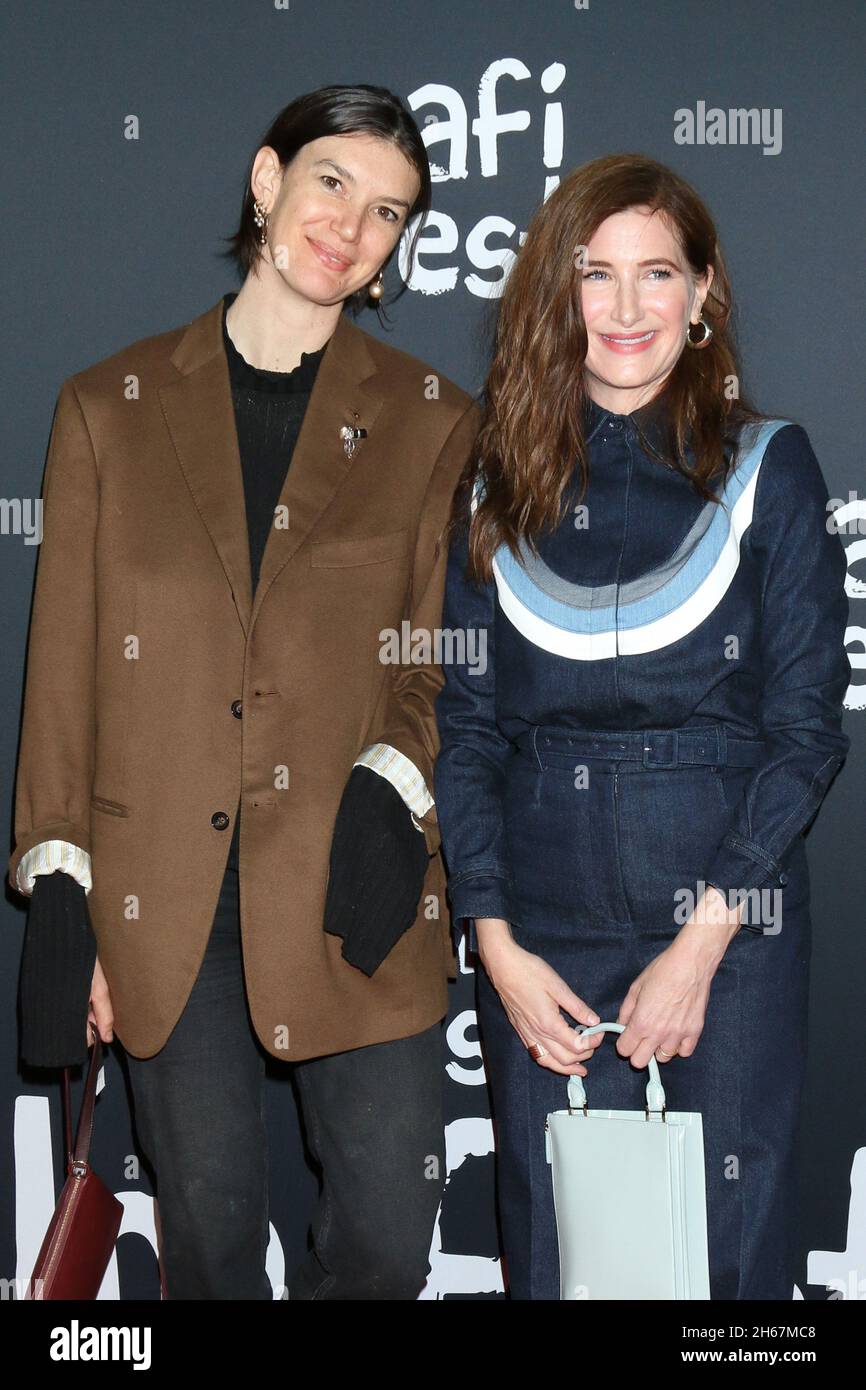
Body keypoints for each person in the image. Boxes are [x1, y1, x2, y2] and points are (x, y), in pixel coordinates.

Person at [10, 84, 481, 1299]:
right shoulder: (106, 408)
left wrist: (399, 783)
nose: (351, 225)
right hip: (165, 901)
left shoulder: (432, 423)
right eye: (331, 182)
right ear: (265, 182)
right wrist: (61, 879)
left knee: (384, 1242)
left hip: (353, 888)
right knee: (212, 1255)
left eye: (388, 213)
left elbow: (440, 654)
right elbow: (65, 665)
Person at [433, 152, 851, 1301]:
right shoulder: (491, 483)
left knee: (725, 1258)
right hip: (541, 931)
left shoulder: (770, 466)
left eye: (654, 273)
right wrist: (495, 944)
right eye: (593, 274)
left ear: (701, 290)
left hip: (722, 923)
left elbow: (805, 729)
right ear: (554, 296)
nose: (623, 309)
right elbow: (465, 727)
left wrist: (700, 945)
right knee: (562, 1250)